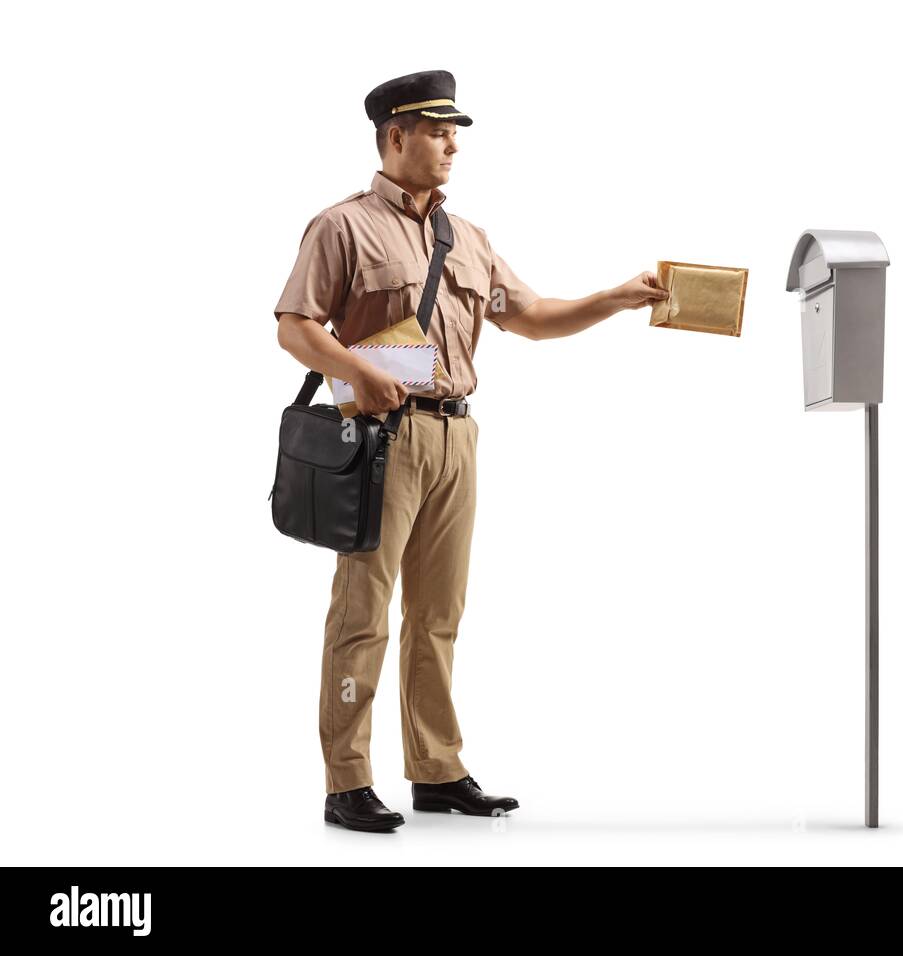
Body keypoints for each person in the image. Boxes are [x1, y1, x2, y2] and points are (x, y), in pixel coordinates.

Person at [273, 69, 669, 833]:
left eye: (455, 132)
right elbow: (296, 325)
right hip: (381, 435)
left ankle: (437, 768)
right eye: (437, 131)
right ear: (395, 135)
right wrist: (356, 370)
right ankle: (347, 780)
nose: (453, 144)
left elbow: (530, 315)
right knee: (364, 609)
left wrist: (613, 298)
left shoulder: (469, 238)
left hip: (457, 433)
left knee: (439, 612)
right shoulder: (342, 226)